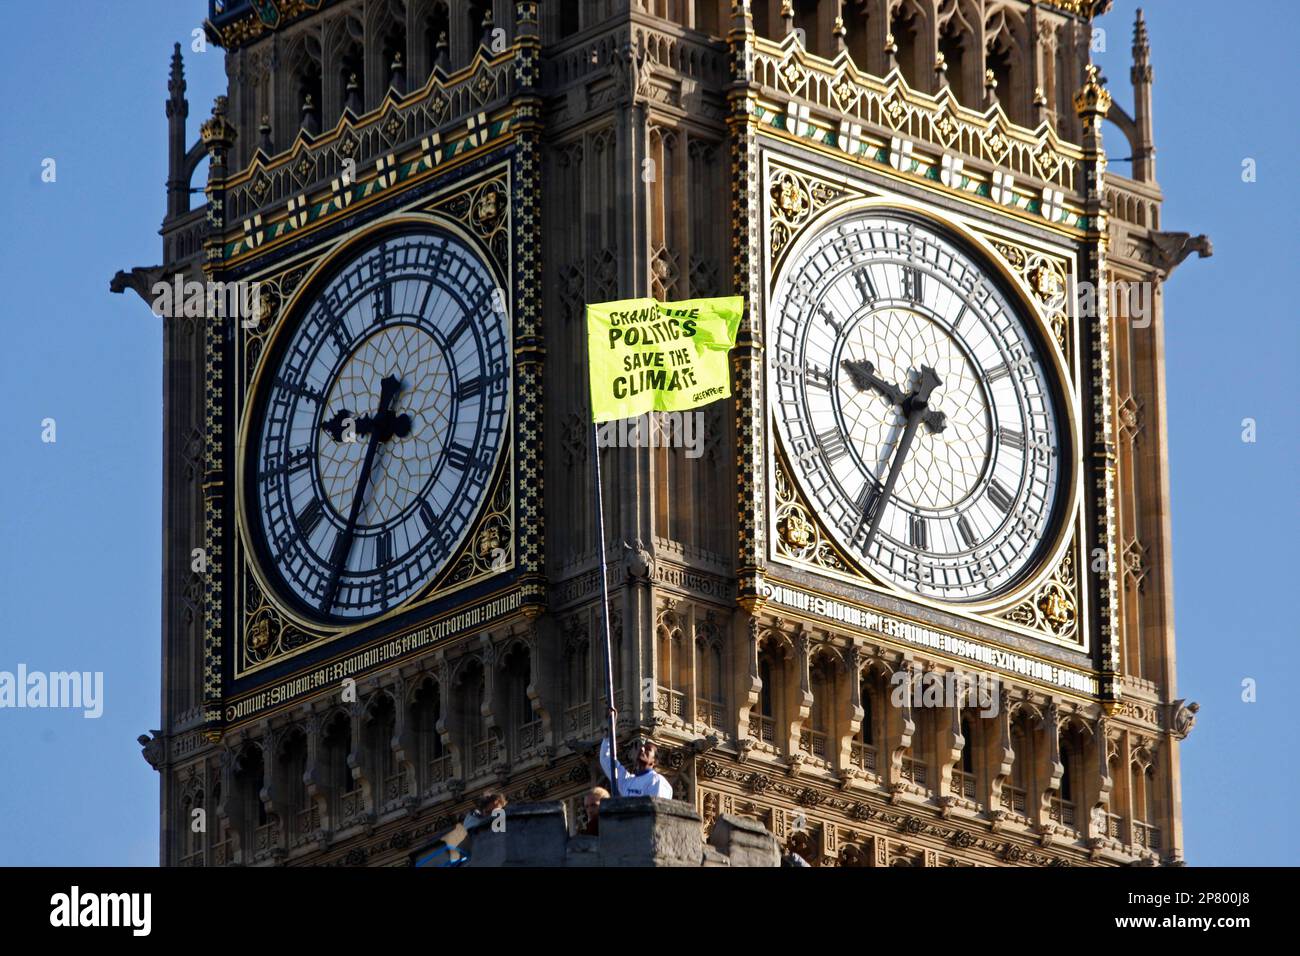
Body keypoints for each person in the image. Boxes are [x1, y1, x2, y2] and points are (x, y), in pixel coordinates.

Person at [598, 737, 673, 798]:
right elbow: (606, 761)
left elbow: (657, 809)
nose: (642, 749)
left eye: (648, 749)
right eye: (642, 747)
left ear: (654, 761)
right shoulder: (627, 781)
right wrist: (607, 738)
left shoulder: (658, 781)